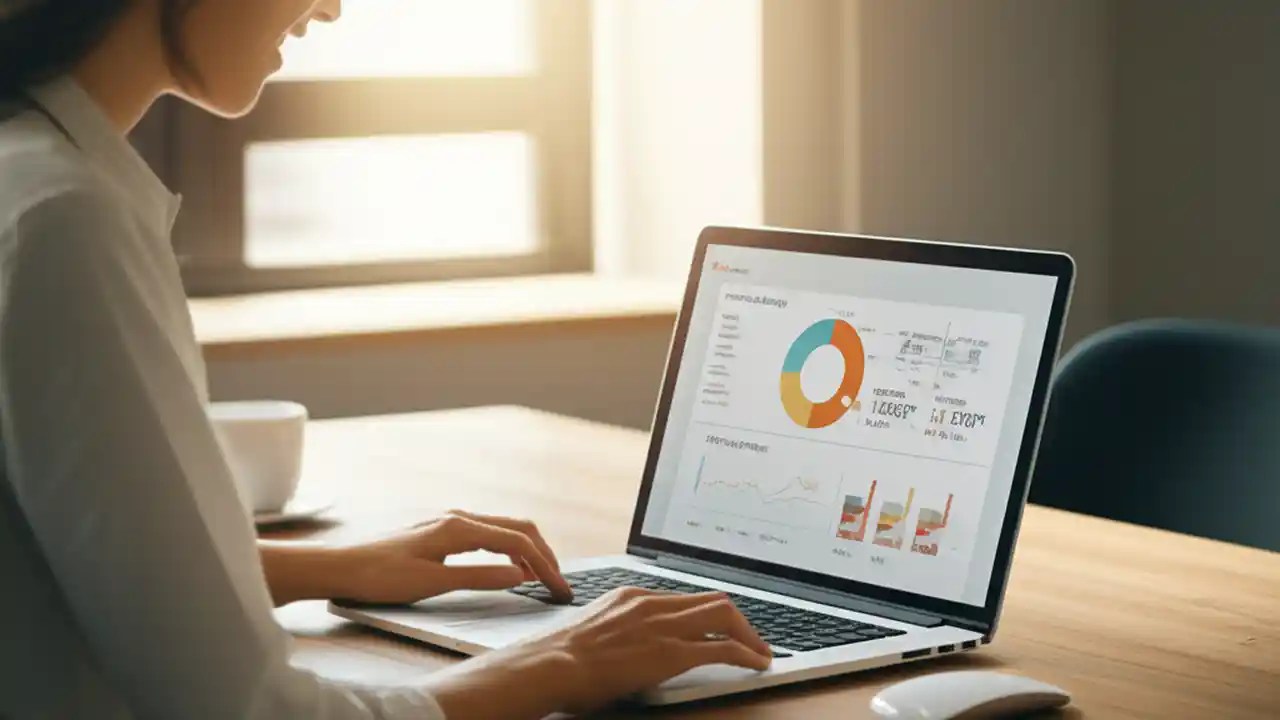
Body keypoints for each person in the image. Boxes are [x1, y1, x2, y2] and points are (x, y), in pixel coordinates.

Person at [0, 1, 773, 717]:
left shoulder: (28, 168)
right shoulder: (68, 222)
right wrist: (562, 658)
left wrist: (340, 568)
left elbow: (65, 562)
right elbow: (247, 710)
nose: (331, 5)